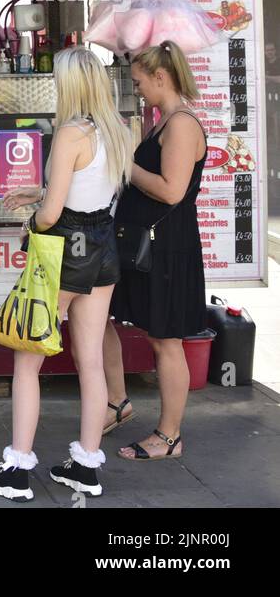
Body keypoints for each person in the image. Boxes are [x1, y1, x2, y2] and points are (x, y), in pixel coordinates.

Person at [0, 47, 134, 502]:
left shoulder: (69, 132)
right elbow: (88, 190)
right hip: (102, 247)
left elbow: (51, 215)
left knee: (28, 359)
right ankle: (86, 466)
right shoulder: (115, 129)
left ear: (69, 85)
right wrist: (41, 191)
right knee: (90, 362)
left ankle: (17, 467)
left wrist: (31, 220)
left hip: (63, 249)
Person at [101, 40, 207, 462]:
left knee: (167, 341)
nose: (138, 88)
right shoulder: (164, 123)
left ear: (161, 77)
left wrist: (127, 164)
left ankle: (169, 436)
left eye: (141, 80)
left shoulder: (181, 124)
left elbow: (171, 190)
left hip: (168, 250)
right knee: (141, 329)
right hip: (151, 247)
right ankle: (118, 402)